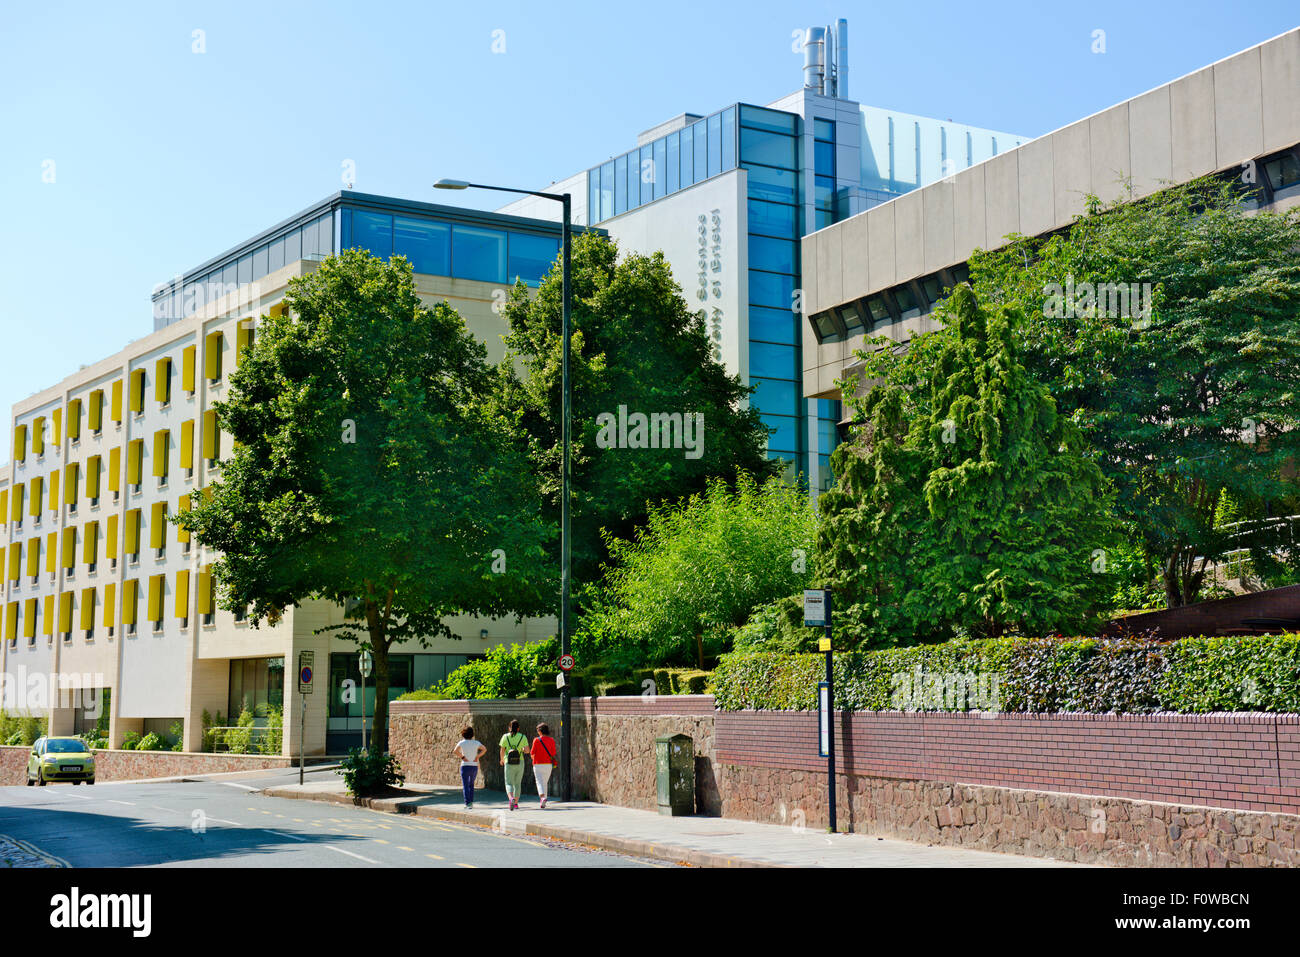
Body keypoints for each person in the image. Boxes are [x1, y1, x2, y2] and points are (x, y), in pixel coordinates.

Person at [499, 720, 529, 810]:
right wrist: (522, 749)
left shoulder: (505, 737)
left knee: (509, 783)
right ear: (518, 728)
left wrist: (502, 760)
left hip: (508, 762)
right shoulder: (523, 737)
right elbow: (527, 751)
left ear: (509, 728)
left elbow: (502, 750)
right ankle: (515, 803)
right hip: (520, 762)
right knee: (517, 783)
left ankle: (511, 798)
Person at [453, 726, 485, 809]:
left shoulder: (461, 743)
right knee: (471, 785)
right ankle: (471, 802)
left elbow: (455, 751)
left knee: (465, 785)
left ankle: (467, 804)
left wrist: (463, 757)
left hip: (465, 765)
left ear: (463, 734)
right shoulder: (476, 743)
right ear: (472, 734)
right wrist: (477, 757)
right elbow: (484, 749)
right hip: (474, 766)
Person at [529, 722, 558, 809]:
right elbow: (553, 753)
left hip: (538, 764)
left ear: (540, 731)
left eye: (538, 731)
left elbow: (532, 753)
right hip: (548, 765)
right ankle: (543, 802)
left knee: (539, 782)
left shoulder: (536, 740)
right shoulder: (551, 740)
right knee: (544, 782)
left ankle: (542, 797)